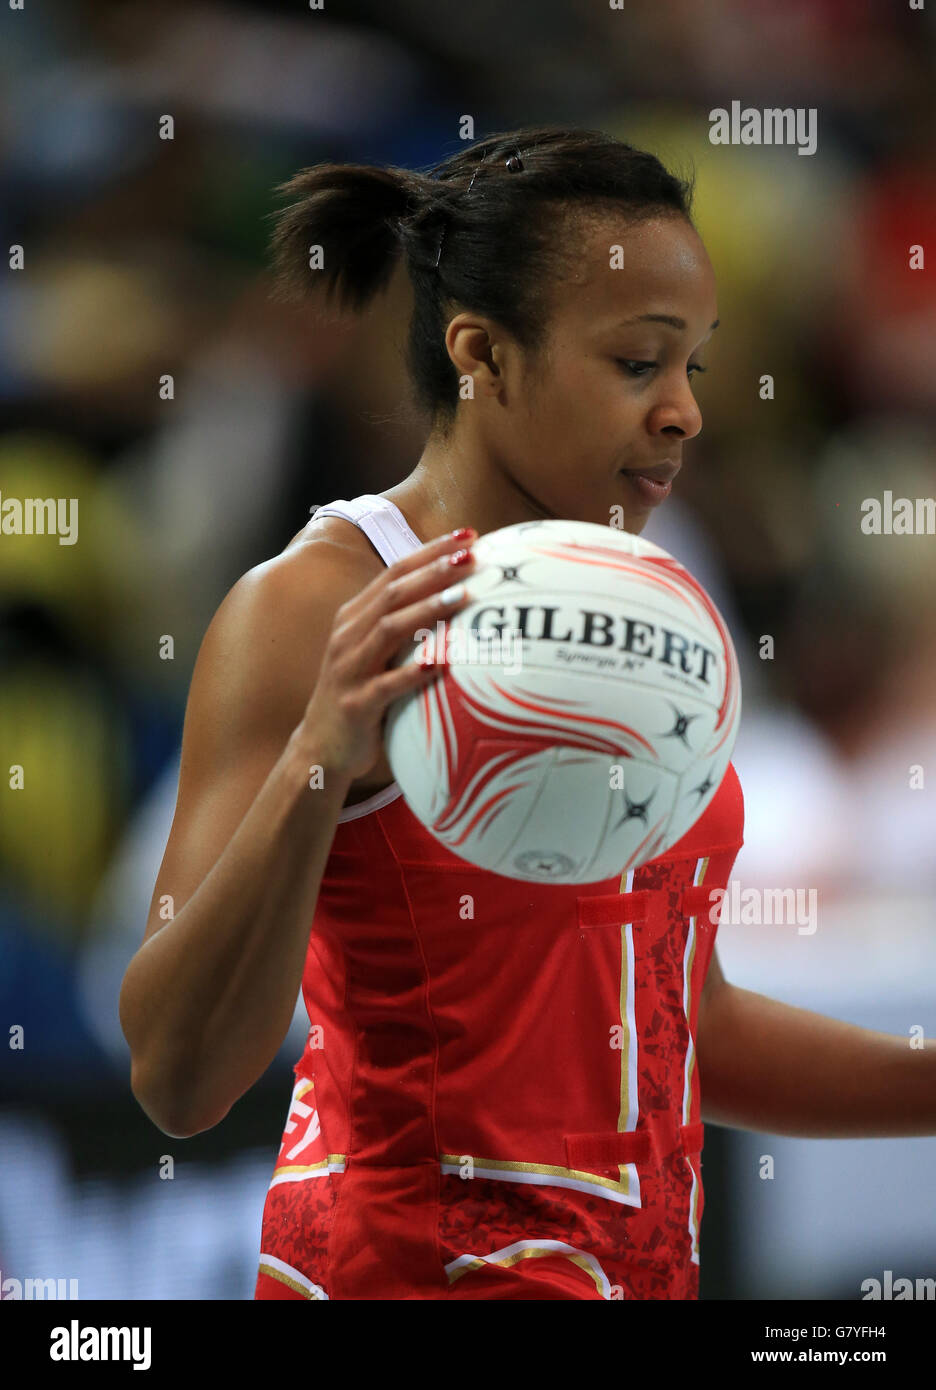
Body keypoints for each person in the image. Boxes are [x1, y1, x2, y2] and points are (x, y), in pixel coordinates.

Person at [119, 126, 936, 1301]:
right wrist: (318, 755)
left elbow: (672, 1021)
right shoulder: (315, 609)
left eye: (695, 366)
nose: (684, 414)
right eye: (639, 362)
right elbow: (176, 1072)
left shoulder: (651, 598)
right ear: (482, 355)